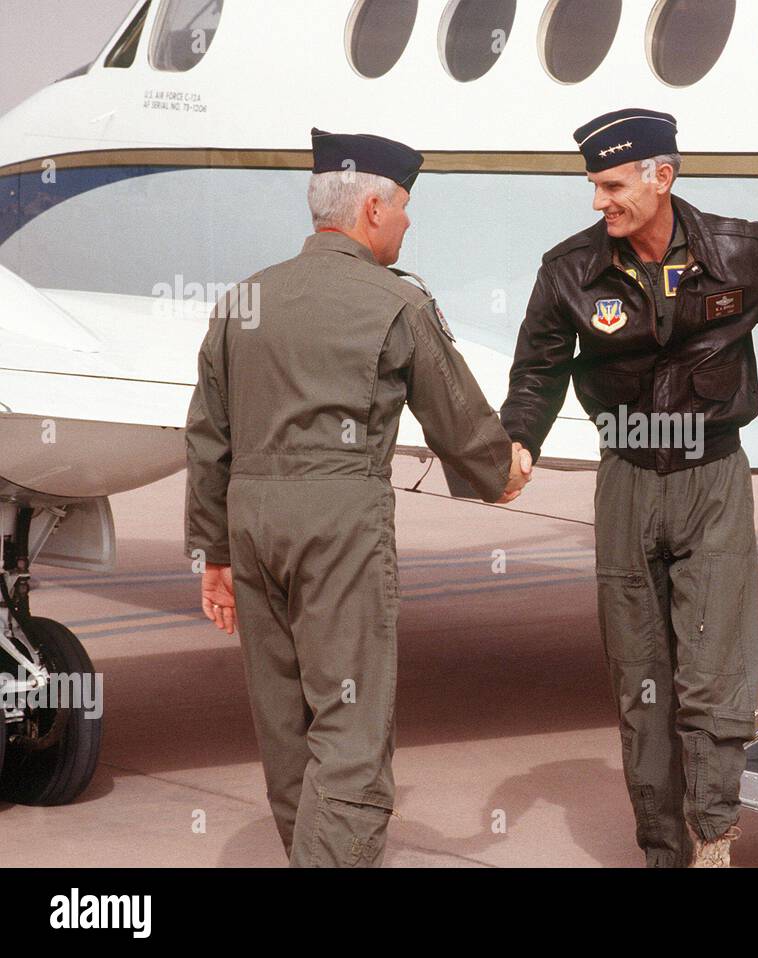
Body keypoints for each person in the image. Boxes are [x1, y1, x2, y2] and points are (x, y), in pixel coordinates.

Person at [499, 108, 758, 867]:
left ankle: (713, 839)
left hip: (713, 476)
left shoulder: (739, 251)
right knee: (641, 683)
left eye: (613, 185)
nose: (600, 202)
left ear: (663, 176)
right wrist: (519, 441)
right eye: (594, 186)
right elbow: (537, 371)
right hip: (624, 480)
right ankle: (663, 851)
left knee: (716, 675)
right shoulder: (568, 270)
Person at [185, 127, 529, 866]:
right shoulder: (394, 304)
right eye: (404, 206)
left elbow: (208, 435)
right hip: (338, 522)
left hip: (250, 523)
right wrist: (504, 471)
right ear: (372, 207)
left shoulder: (243, 299)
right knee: (350, 733)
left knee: (287, 731)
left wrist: (213, 553)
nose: (408, 221)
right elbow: (463, 429)